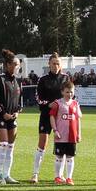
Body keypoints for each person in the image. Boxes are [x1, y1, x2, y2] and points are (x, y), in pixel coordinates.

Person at [0, 50, 23, 185]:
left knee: (10, 146)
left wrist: (18, 111)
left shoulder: (17, 81)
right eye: (16, 64)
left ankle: (7, 174)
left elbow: (20, 100)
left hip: (12, 116)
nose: (17, 67)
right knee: (3, 144)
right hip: (0, 116)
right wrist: (3, 112)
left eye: (18, 65)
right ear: (8, 64)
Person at [31, 52, 66, 184]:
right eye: (53, 63)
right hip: (46, 115)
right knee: (42, 143)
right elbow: (38, 98)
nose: (55, 66)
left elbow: (71, 97)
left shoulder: (66, 78)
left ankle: (59, 175)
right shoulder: (43, 79)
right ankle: (35, 174)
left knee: (61, 145)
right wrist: (49, 104)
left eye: (58, 63)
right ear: (49, 64)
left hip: (61, 117)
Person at [49, 79, 82, 185]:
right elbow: (52, 117)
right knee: (59, 156)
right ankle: (57, 177)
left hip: (72, 135)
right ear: (62, 92)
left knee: (70, 157)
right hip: (61, 134)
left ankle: (69, 178)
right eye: (67, 92)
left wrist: (79, 133)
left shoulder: (75, 104)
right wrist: (55, 130)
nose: (69, 94)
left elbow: (78, 119)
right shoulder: (57, 103)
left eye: (71, 92)